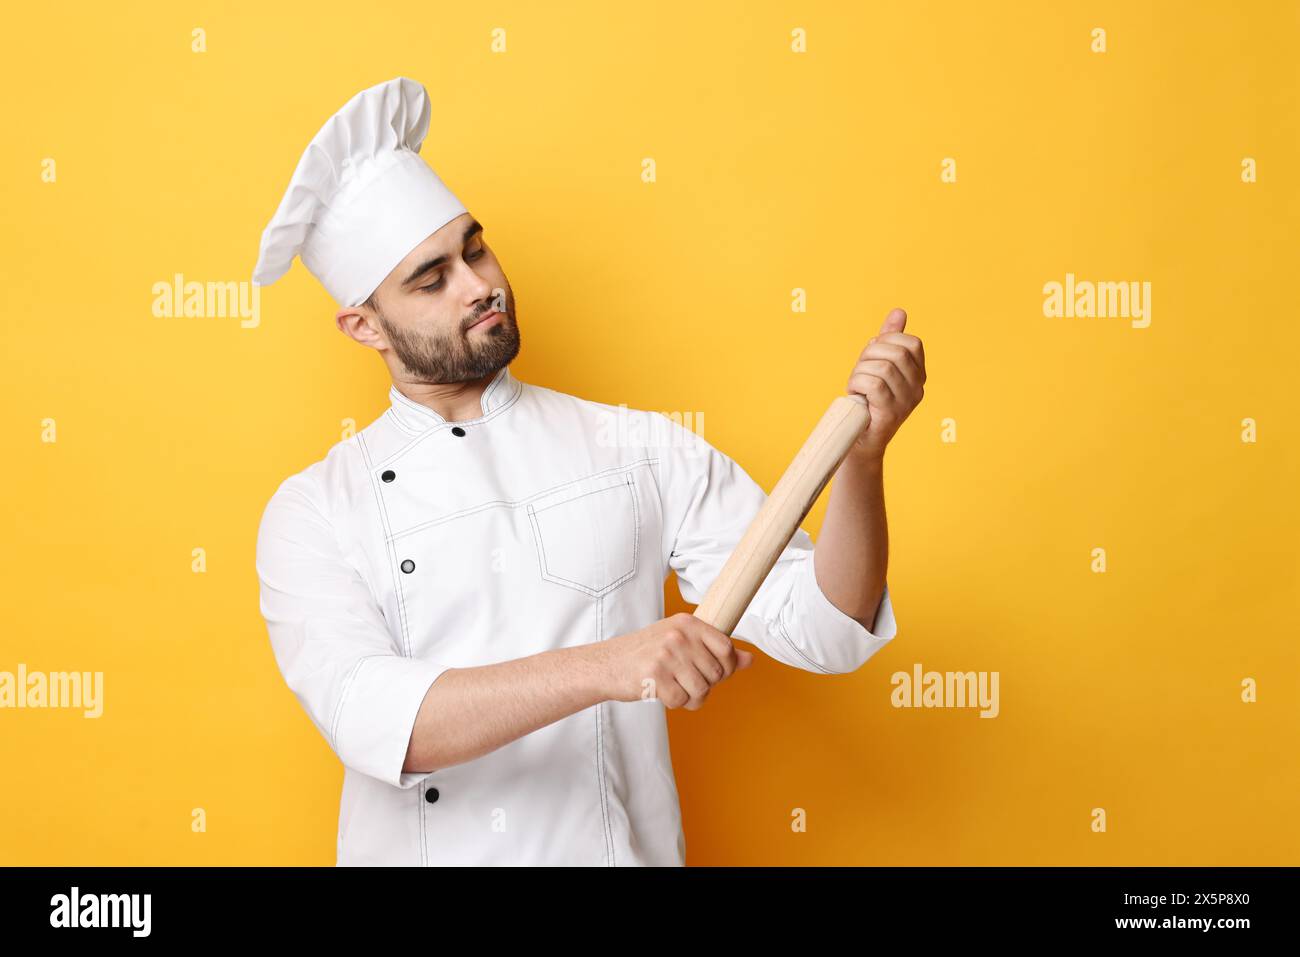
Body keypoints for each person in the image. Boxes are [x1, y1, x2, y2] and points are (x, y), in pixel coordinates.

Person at [252, 77, 925, 866]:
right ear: (364, 325)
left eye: (474, 248)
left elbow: (826, 627)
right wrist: (612, 664)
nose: (480, 286)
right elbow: (379, 721)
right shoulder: (315, 511)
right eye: (432, 279)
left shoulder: (638, 448)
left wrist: (863, 460)